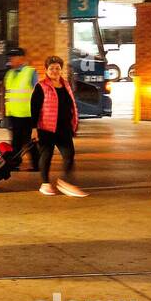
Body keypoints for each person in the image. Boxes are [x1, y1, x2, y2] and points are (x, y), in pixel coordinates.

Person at [30, 56, 87, 198]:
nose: (55, 71)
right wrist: (34, 128)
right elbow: (34, 108)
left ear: (61, 70)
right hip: (46, 129)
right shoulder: (41, 86)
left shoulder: (66, 84)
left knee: (69, 155)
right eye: (51, 68)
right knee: (46, 155)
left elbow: (72, 104)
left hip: (64, 128)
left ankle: (66, 182)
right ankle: (45, 184)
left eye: (57, 68)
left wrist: (74, 122)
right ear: (46, 70)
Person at [3, 47, 39, 170]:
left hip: (27, 114)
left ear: (21, 59)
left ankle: (37, 165)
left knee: (29, 142)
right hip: (13, 114)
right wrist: (6, 115)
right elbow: (7, 95)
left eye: (13, 57)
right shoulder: (9, 74)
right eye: (10, 57)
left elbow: (37, 94)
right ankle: (15, 164)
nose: (11, 60)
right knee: (16, 141)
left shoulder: (31, 72)